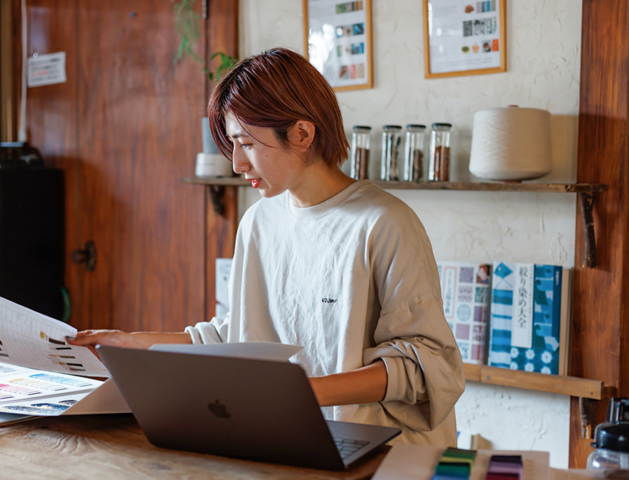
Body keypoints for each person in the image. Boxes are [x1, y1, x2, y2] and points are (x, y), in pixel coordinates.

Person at [69, 48, 465, 446]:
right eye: (232, 144)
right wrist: (135, 343)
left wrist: (303, 395)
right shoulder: (259, 222)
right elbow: (240, 333)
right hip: (285, 437)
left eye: (247, 144)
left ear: (302, 134)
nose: (237, 163)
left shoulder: (384, 222)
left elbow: (426, 364)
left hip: (377, 452)